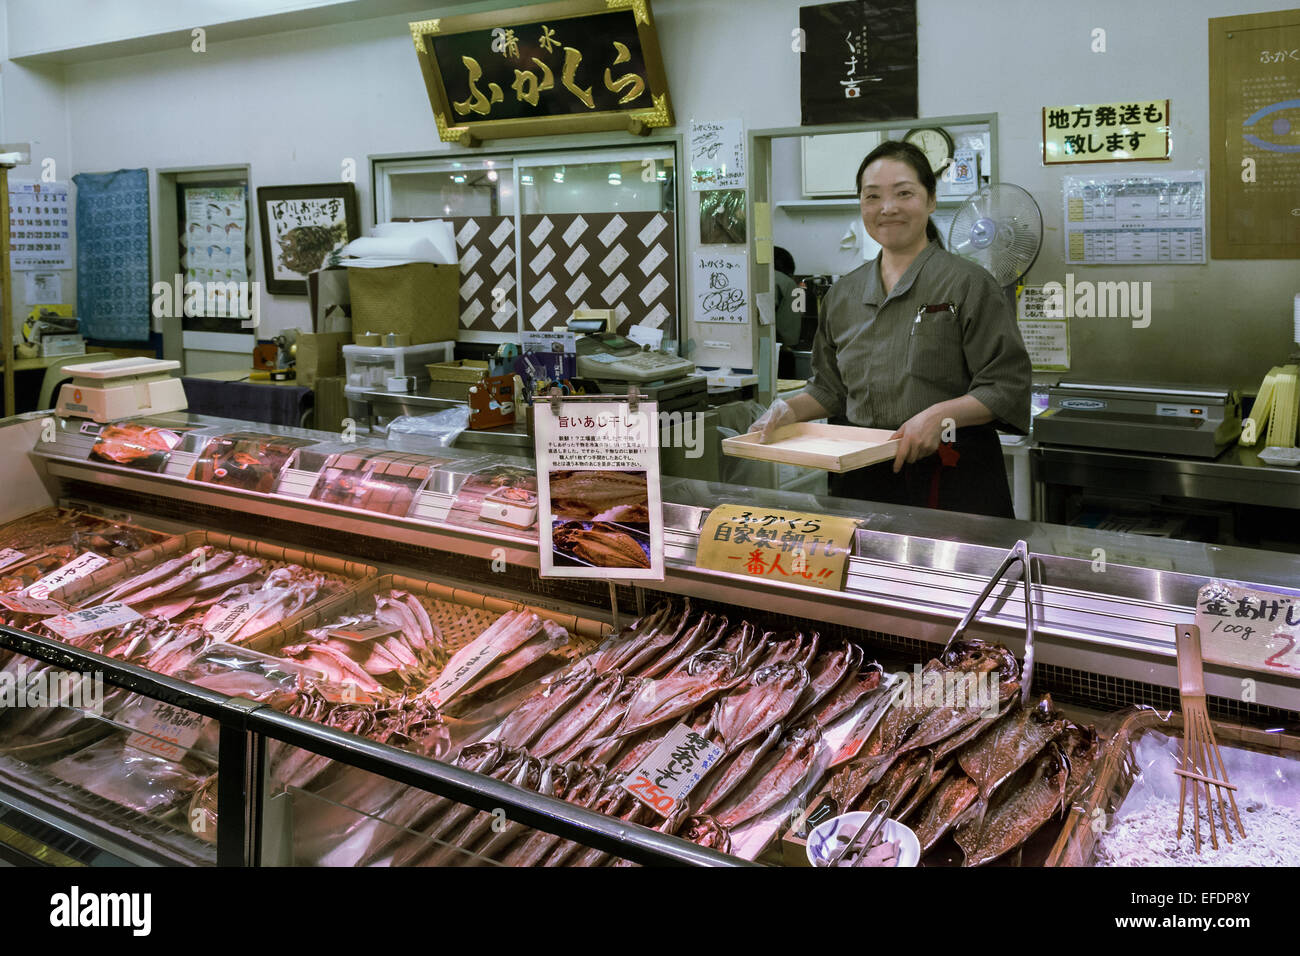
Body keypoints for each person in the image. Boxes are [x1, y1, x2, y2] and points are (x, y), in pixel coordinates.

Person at [752, 140, 1031, 518]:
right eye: (873, 196)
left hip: (952, 472)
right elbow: (830, 389)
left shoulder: (969, 283)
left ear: (931, 200)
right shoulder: (843, 293)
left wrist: (938, 416)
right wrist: (788, 409)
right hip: (861, 472)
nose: (887, 208)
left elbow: (1006, 384)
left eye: (904, 193)